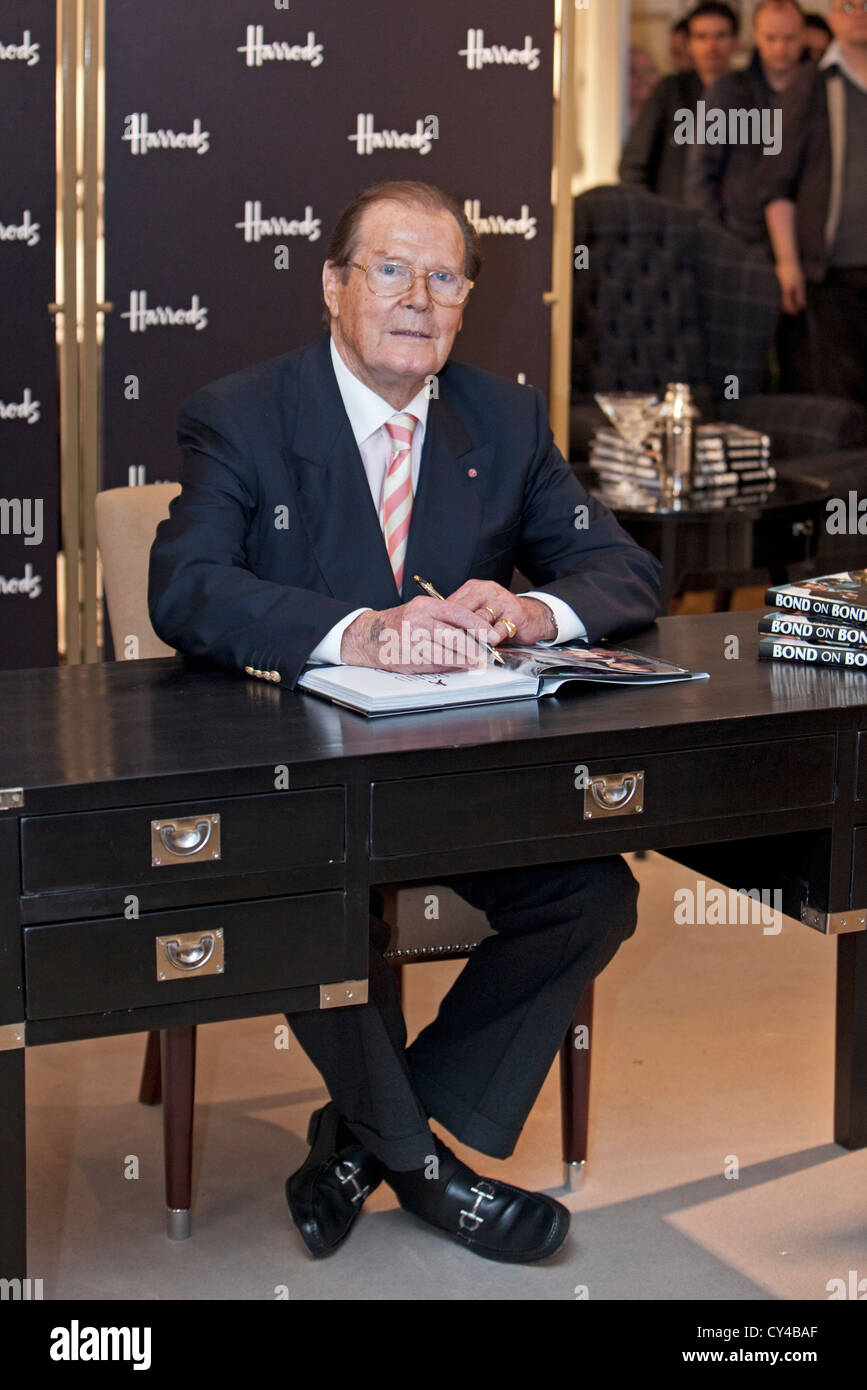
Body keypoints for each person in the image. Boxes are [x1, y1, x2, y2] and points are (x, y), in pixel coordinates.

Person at [148, 181, 663, 1265]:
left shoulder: (505, 418)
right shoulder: (242, 411)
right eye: (391, 269)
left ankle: (362, 1143)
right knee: (314, 894)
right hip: (300, 782)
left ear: (467, 304)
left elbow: (624, 567)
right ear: (334, 284)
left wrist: (530, 608)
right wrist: (358, 632)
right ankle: (432, 1176)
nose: (417, 298)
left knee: (595, 893)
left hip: (452, 780)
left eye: (444, 278)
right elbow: (186, 586)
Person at [760, 0, 867, 402]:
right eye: (848, 4)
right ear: (832, 13)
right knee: (839, 401)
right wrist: (788, 262)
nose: (859, 11)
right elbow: (777, 183)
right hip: (831, 274)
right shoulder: (810, 83)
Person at [685, 1, 808, 246]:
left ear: (803, 36)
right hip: (742, 238)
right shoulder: (728, 91)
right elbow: (700, 174)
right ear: (756, 37)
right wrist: (717, 239)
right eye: (771, 38)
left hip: (805, 239)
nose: (781, 48)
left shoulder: (818, 92)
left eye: (789, 38)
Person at [619, 2, 740, 202]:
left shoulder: (748, 94)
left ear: (735, 42)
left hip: (732, 223)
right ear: (689, 44)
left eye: (720, 36)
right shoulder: (670, 92)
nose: (711, 46)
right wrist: (649, 217)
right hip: (675, 219)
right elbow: (634, 164)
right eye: (702, 36)